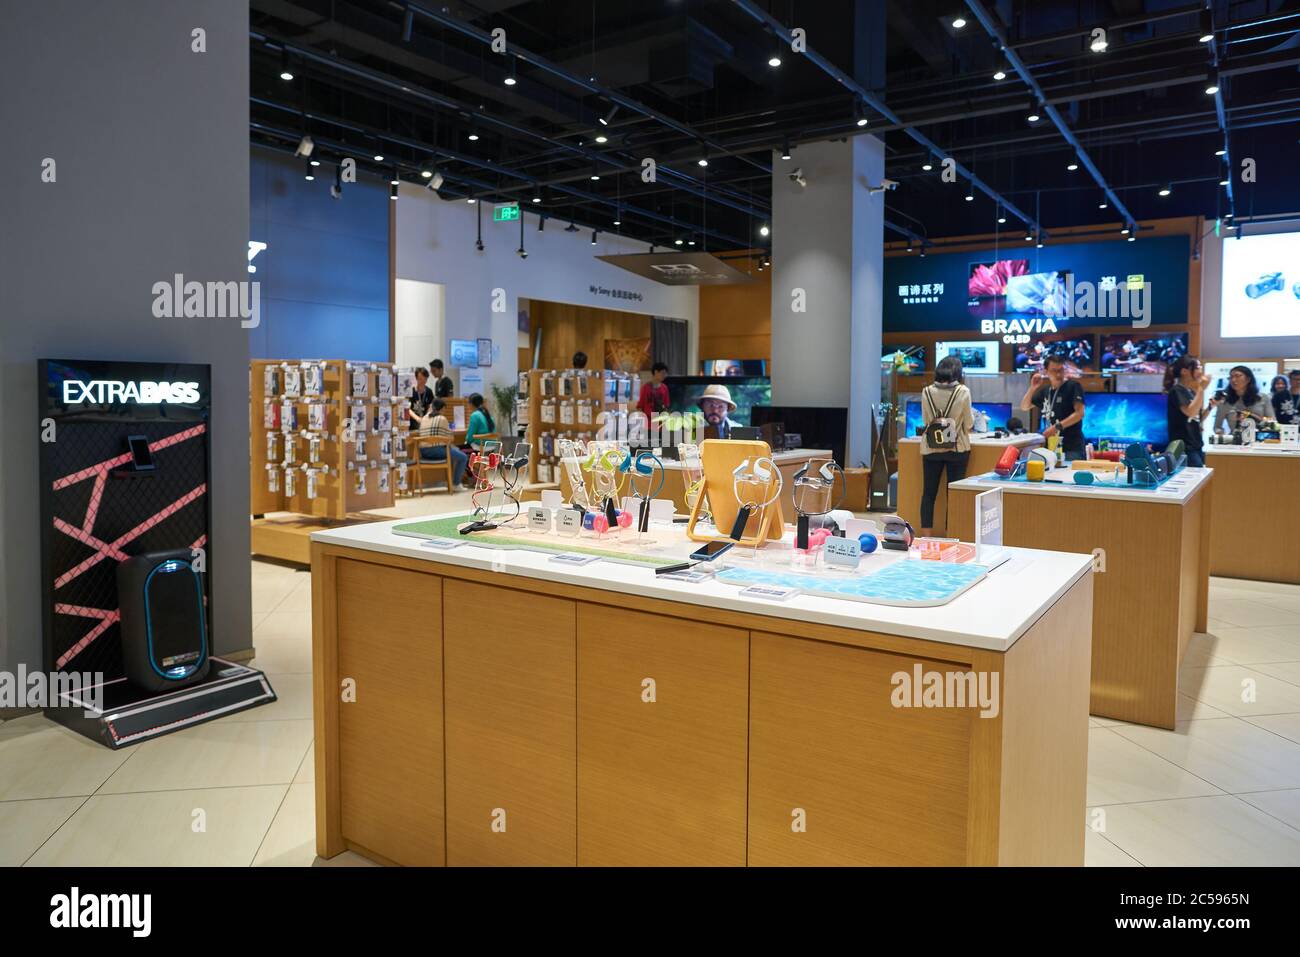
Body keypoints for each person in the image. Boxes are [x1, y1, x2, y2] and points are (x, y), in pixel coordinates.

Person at [918, 356, 975, 538]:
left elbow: (927, 421)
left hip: (931, 449)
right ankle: (952, 535)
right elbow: (968, 424)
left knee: (928, 493)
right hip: (957, 450)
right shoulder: (963, 391)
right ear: (958, 372)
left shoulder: (926, 391)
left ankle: (926, 536)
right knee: (954, 494)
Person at [1020, 354, 1086, 460]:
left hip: (1071, 447)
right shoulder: (1046, 391)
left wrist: (1057, 427)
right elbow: (1024, 406)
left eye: (1061, 370)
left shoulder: (1073, 386)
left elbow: (1080, 413)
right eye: (1054, 370)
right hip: (1050, 447)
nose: (1059, 374)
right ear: (1046, 371)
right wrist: (1032, 388)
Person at [1164, 355, 1212, 467]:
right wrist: (1201, 389)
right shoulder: (1177, 390)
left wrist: (1210, 406)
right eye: (1197, 367)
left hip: (1195, 444)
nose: (1201, 370)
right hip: (1184, 447)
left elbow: (1196, 417)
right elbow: (1190, 412)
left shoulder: (1190, 391)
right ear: (1184, 371)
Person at [418, 399, 469, 486]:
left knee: (453, 451)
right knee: (463, 457)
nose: (444, 412)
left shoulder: (424, 418)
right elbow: (450, 438)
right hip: (436, 450)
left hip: (423, 452)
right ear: (441, 409)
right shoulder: (442, 419)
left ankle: (451, 482)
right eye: (444, 410)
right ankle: (456, 484)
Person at [1212, 365, 1270, 434]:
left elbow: (1271, 421)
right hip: (1235, 441)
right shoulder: (1225, 400)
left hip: (1260, 440)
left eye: (1237, 376)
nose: (1233, 380)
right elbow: (1217, 427)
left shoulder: (1263, 398)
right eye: (1231, 377)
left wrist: (1252, 416)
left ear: (1248, 379)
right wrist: (1223, 437)